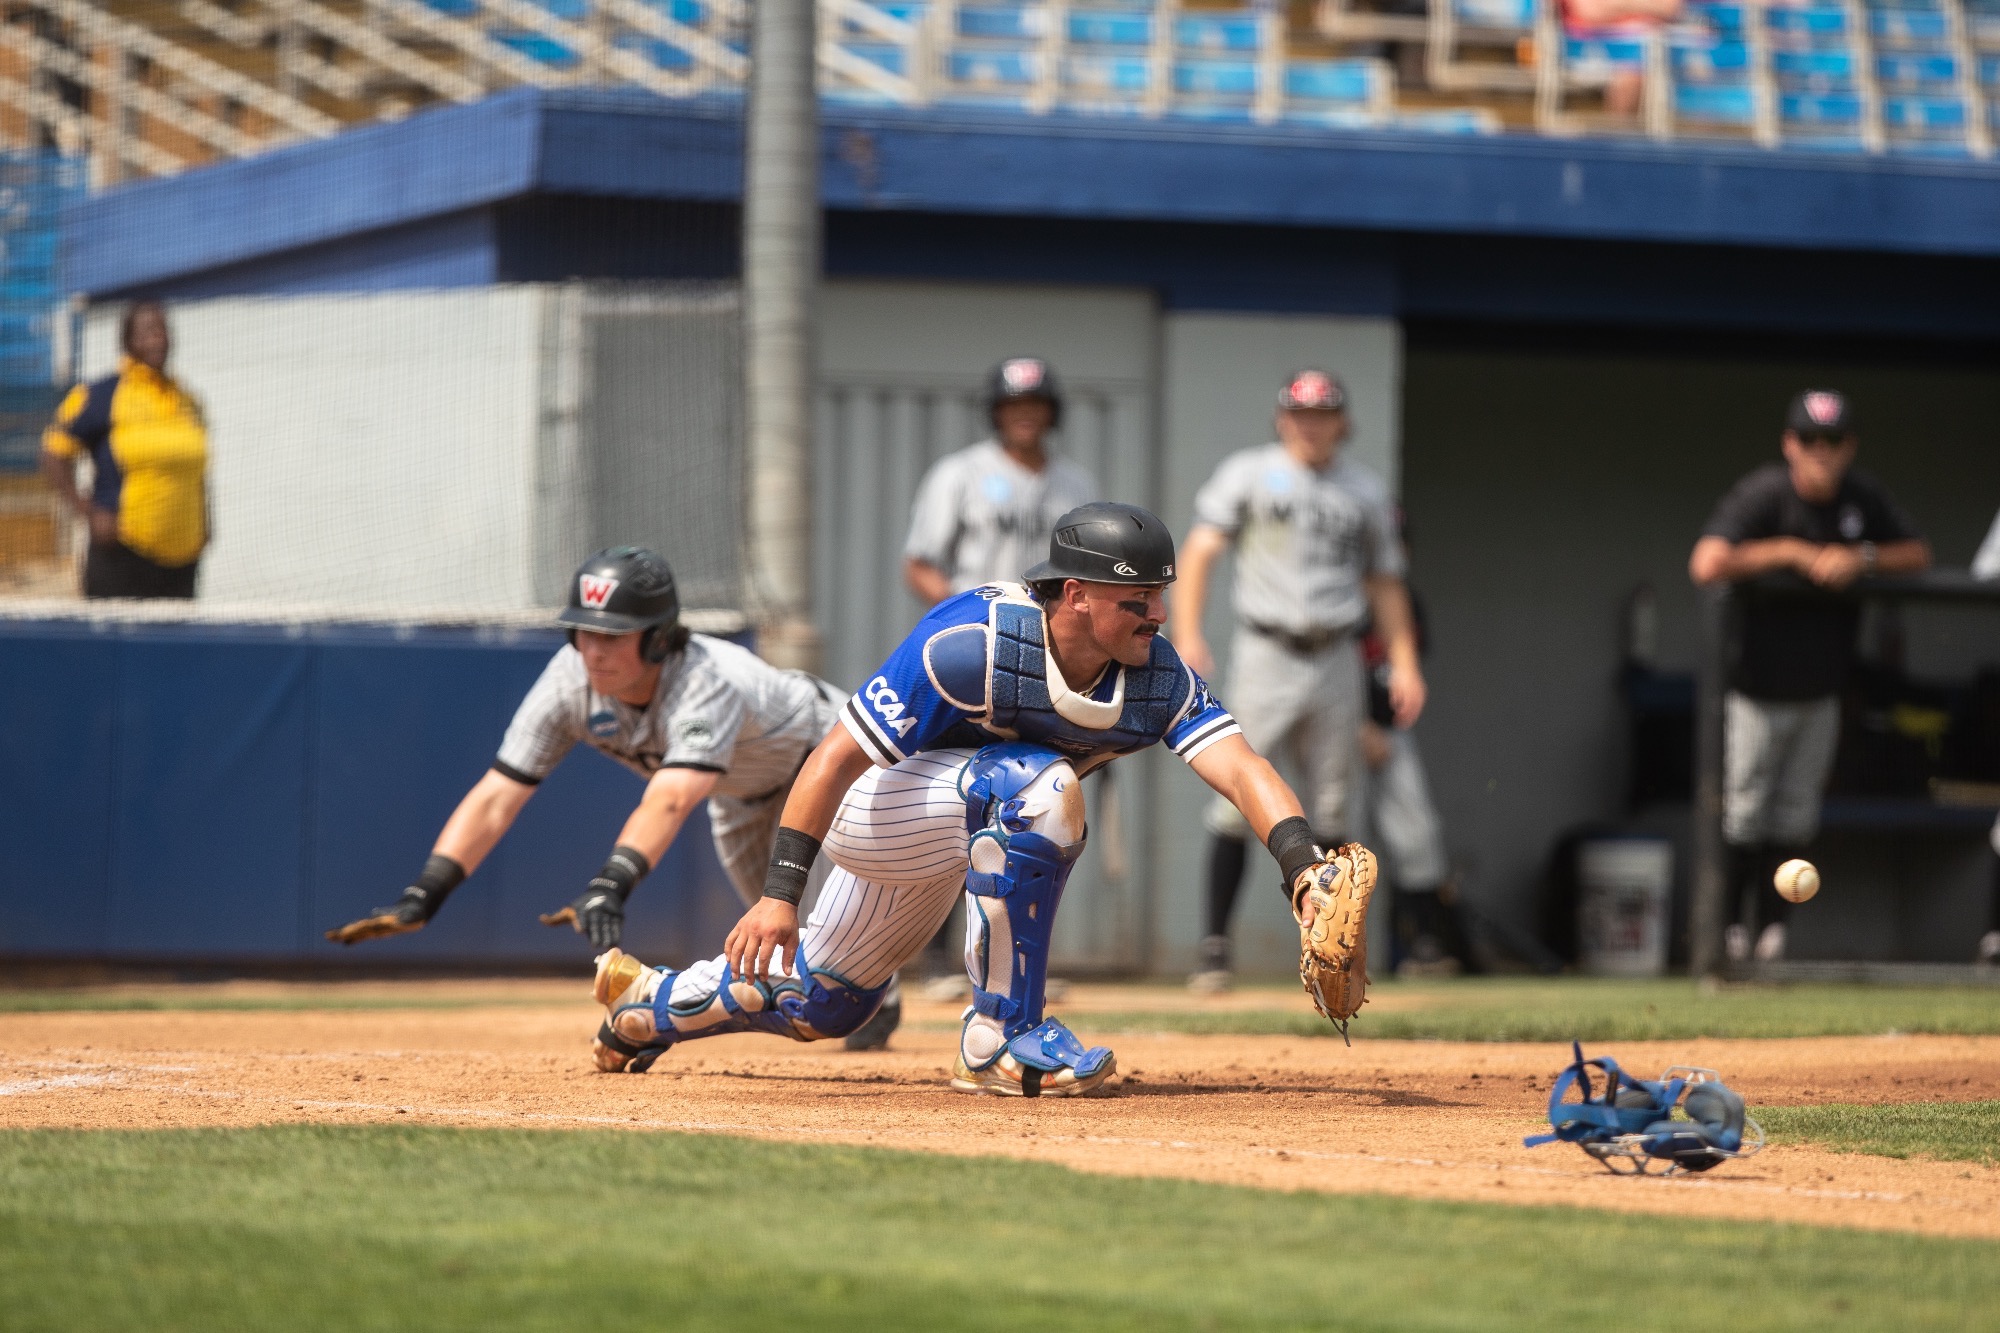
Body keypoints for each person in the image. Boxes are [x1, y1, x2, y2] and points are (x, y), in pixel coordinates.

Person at [588, 503, 1381, 1096]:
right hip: (878, 809)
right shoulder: (973, 640)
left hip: (966, 827)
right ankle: (1004, 1032)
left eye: (1158, 595)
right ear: (1076, 593)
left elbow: (1242, 766)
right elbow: (832, 758)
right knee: (1039, 783)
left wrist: (1302, 872)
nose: (1158, 613)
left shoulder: (1156, 673)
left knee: (825, 1003)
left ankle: (646, 1006)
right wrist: (777, 895)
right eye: (1135, 597)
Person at [320, 548, 905, 1043]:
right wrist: (427, 892)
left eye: (611, 635)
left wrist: (610, 884)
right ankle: (873, 989)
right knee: (785, 939)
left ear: (656, 640)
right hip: (742, 795)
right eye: (582, 631)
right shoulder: (568, 677)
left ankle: (884, 985)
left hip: (831, 766)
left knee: (840, 931)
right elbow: (500, 792)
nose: (591, 649)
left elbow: (671, 800)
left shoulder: (707, 679)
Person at [1171, 370, 1424, 992]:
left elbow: (1386, 582)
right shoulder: (1250, 472)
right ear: (1282, 419)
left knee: (1335, 806)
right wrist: (1189, 631)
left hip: (1337, 653)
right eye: (1300, 414)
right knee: (1236, 789)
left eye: (1323, 414)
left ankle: (1332, 956)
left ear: (1342, 421)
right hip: (1267, 648)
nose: (1311, 425)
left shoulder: (1362, 488)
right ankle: (1214, 950)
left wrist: (1405, 660)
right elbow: (1201, 548)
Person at [1689, 390, 1930, 963]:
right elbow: (1705, 563)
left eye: (1833, 441)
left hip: (1821, 691)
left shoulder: (1860, 499)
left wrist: (1862, 558)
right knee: (1743, 812)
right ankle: (1727, 933)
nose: (1821, 452)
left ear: (1849, 447)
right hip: (1754, 689)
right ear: (1790, 444)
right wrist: (1790, 552)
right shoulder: (1764, 494)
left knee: (1795, 817)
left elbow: (1918, 553)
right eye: (1810, 440)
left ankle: (1771, 936)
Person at [902, 356, 1101, 995]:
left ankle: (1014, 956)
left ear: (1051, 412)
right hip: (981, 649)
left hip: (1050, 655)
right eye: (1014, 404)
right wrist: (955, 617)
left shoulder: (1074, 483)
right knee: (955, 790)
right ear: (996, 411)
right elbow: (920, 563)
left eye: (1036, 405)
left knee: (1032, 794)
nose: (1025, 415)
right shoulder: (960, 474)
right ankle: (939, 958)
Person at [41, 301, 210, 599]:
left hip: (183, 559)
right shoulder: (102, 395)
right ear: (128, 341)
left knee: (173, 645)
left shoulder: (187, 401)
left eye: (163, 331)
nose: (157, 338)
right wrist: (87, 511)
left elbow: (198, 471)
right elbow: (53, 451)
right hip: (122, 555)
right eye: (147, 332)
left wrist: (206, 523)